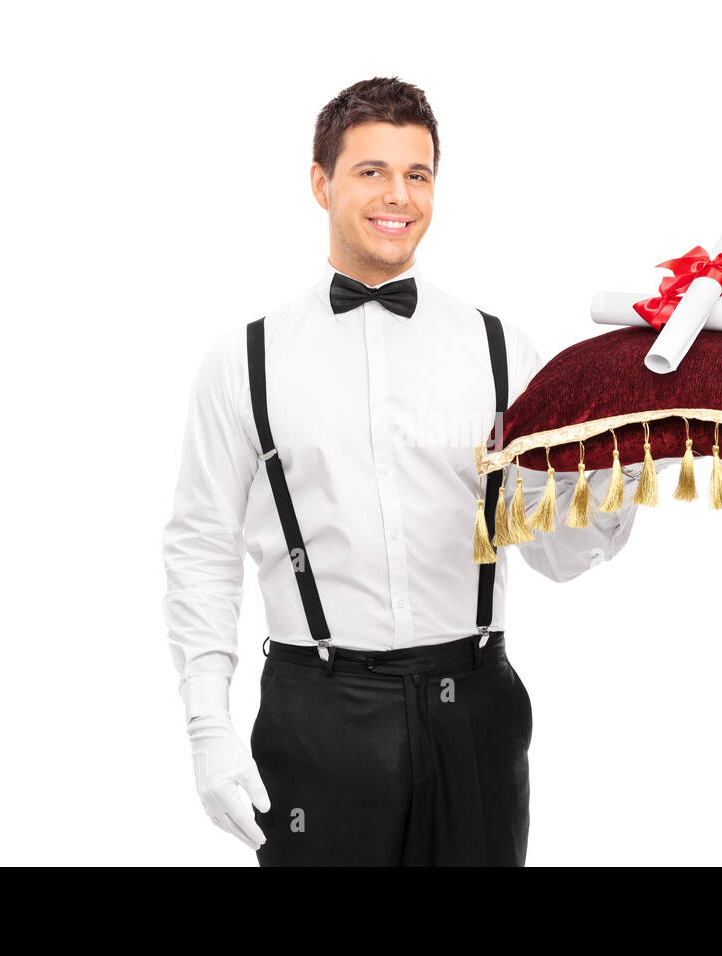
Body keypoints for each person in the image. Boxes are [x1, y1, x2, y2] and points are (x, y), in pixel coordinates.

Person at [161, 76, 657, 866]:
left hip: (478, 712)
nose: (399, 196)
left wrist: (628, 454)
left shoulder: (503, 353)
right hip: (316, 720)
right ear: (320, 183)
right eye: (371, 172)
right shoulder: (243, 362)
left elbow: (557, 552)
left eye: (417, 175)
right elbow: (200, 548)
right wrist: (206, 727)